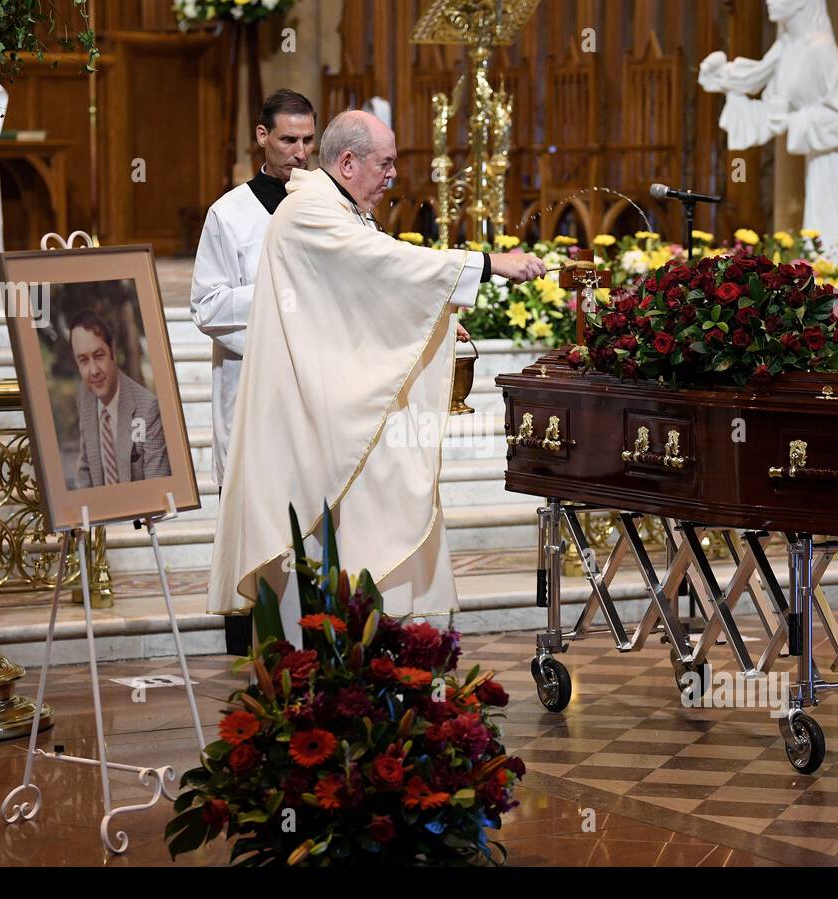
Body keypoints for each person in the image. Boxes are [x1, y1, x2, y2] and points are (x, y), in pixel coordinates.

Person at [207, 109, 545, 634]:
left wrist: (431, 323)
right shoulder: (310, 212)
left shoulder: (335, 206)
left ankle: (351, 674)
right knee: (311, 565)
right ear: (347, 161)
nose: (393, 176)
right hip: (302, 421)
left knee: (334, 562)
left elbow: (357, 296)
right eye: (385, 164)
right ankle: (313, 692)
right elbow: (385, 263)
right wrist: (486, 263)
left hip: (321, 410)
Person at [191, 88, 316, 653]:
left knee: (310, 518)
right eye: (288, 139)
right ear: (262, 137)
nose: (299, 152)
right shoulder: (230, 212)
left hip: (313, 389)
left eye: (309, 140)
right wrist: (280, 296)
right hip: (250, 390)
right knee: (253, 517)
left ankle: (312, 644)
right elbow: (208, 306)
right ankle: (251, 646)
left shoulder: (328, 207)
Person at [697, 0, 838, 244]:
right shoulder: (787, 46)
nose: (769, 1)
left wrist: (793, 120)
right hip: (826, 150)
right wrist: (721, 80)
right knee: (829, 240)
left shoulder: (820, 48)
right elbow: (771, 108)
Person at [69, 310, 170, 488]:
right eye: (83, 360)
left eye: (99, 356)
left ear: (113, 352)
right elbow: (86, 464)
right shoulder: (85, 397)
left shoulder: (148, 408)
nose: (93, 370)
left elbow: (157, 487)